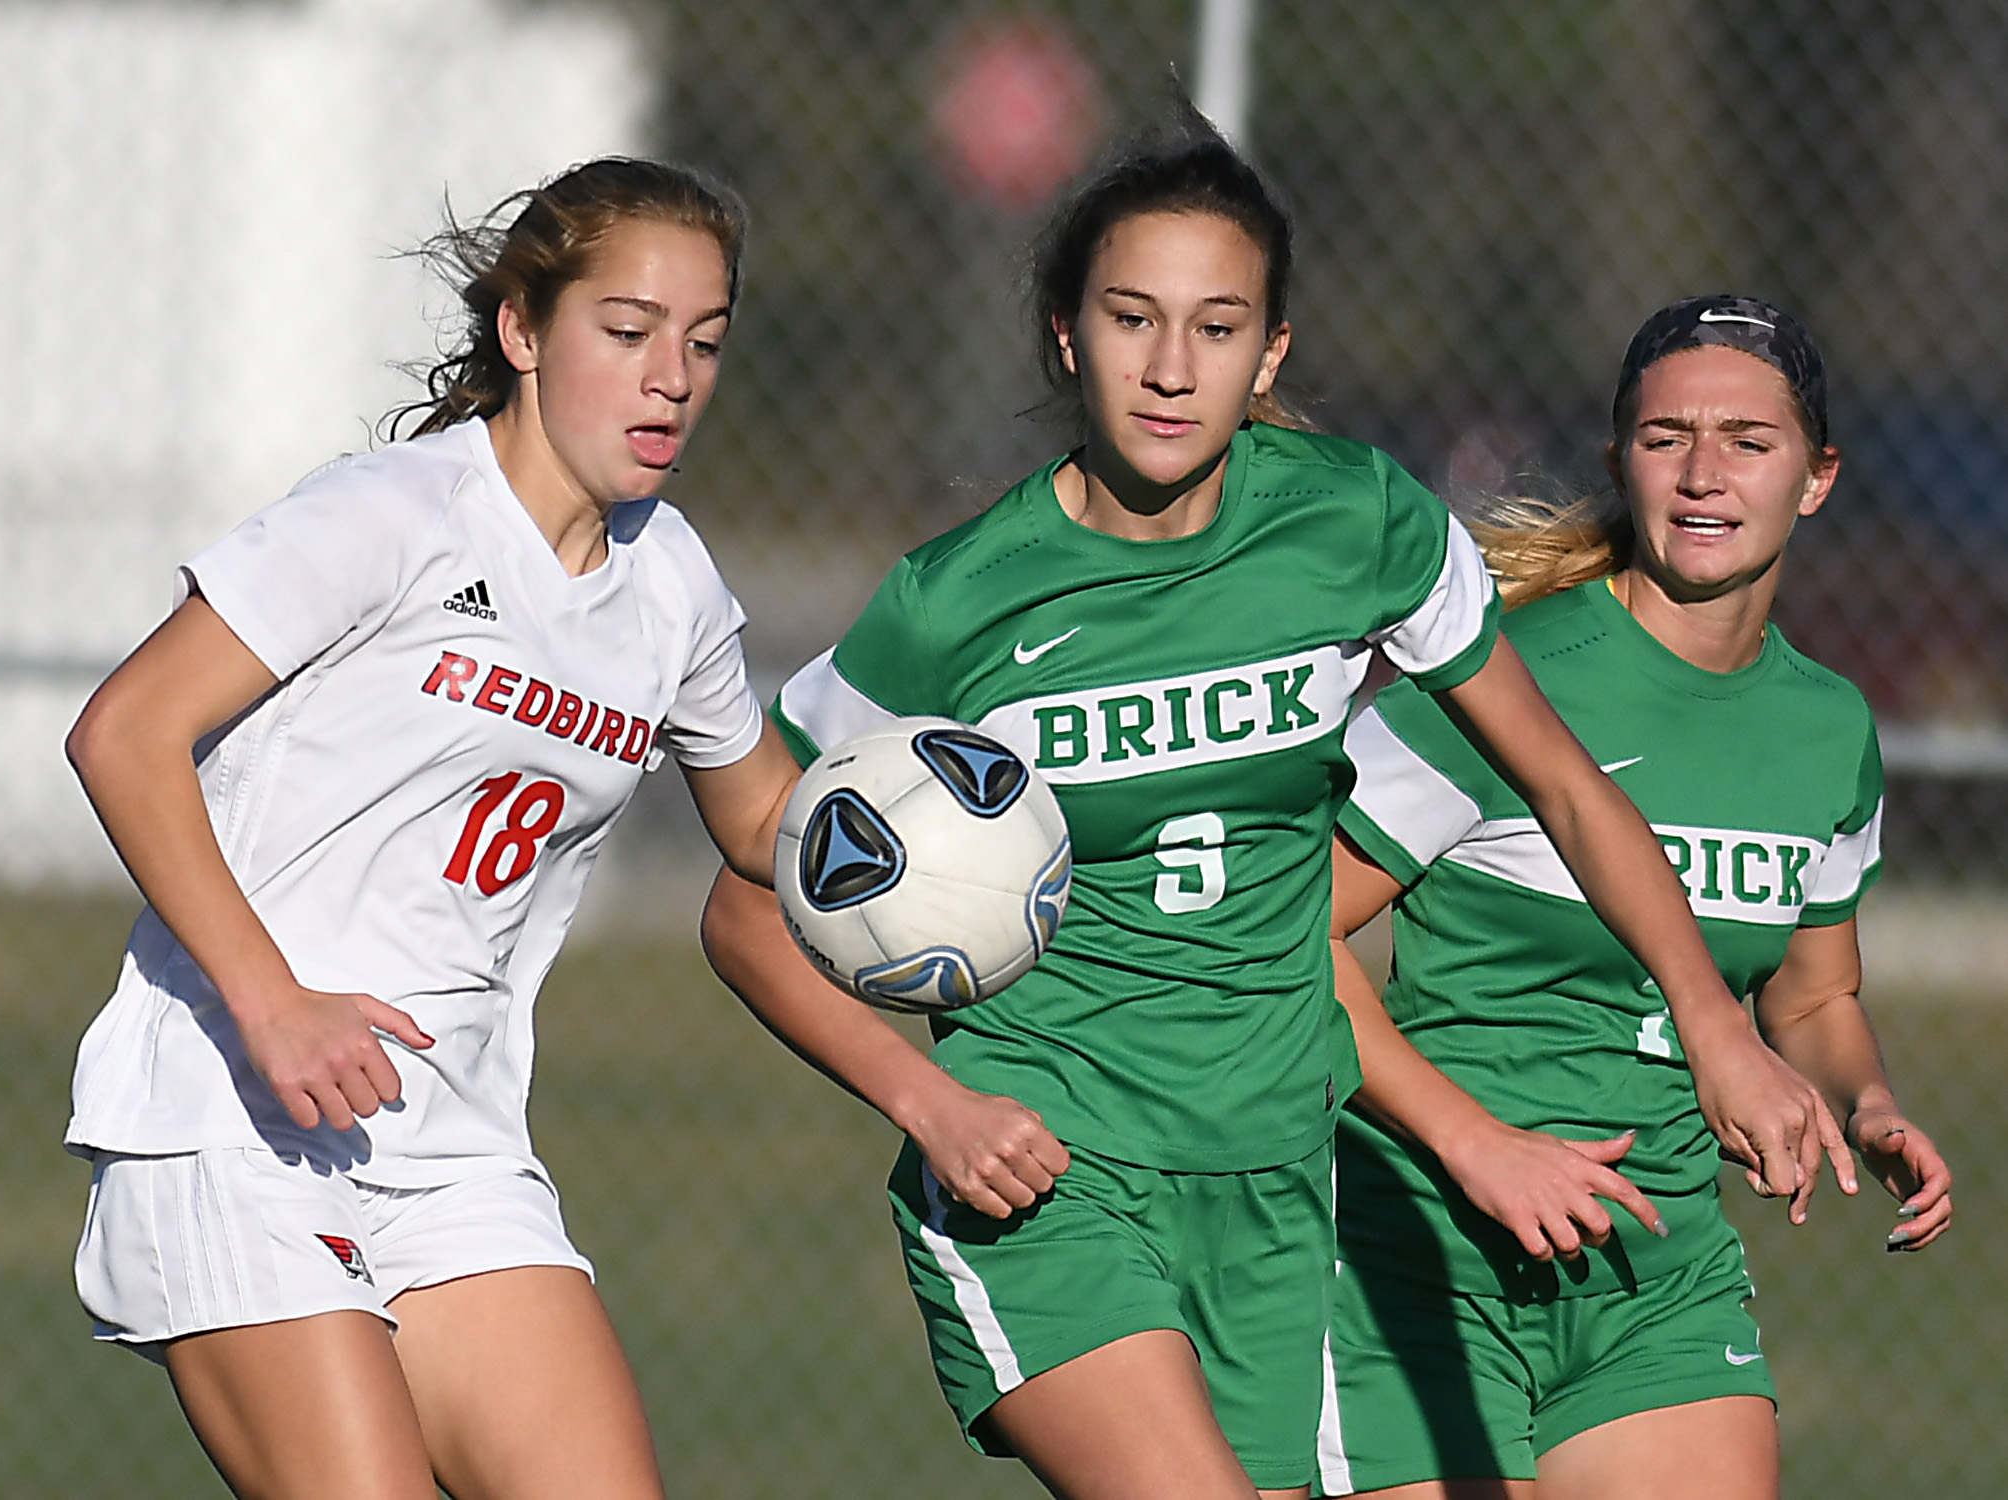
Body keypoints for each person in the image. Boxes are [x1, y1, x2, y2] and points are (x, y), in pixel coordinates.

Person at [700, 120, 1850, 1500]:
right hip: (1056, 1171)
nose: (1173, 367)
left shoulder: (1359, 524)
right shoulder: (957, 600)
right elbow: (746, 900)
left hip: (1279, 1189)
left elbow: (1562, 783)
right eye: (1132, 319)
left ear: (1273, 353)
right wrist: (930, 1100)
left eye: (1218, 325)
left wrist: (1720, 1027)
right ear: (1068, 336)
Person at [62, 157, 801, 1500]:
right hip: (232, 1116)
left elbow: (771, 827)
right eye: (627, 333)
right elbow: (124, 734)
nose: (671, 378)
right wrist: (270, 1002)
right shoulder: (392, 516)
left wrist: (983, 829)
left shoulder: (669, 579)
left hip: (448, 1143)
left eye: (704, 343)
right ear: (523, 331)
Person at [1313, 294, 1955, 1500]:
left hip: (1654, 1282)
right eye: (1668, 439)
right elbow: (1292, 943)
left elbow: (1813, 998)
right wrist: (1480, 1145)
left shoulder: (1829, 729)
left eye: (1749, 443)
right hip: (1420, 1256)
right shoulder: (1497, 684)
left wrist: (1864, 1102)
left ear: (1817, 479)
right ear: (1622, 463)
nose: (1705, 474)